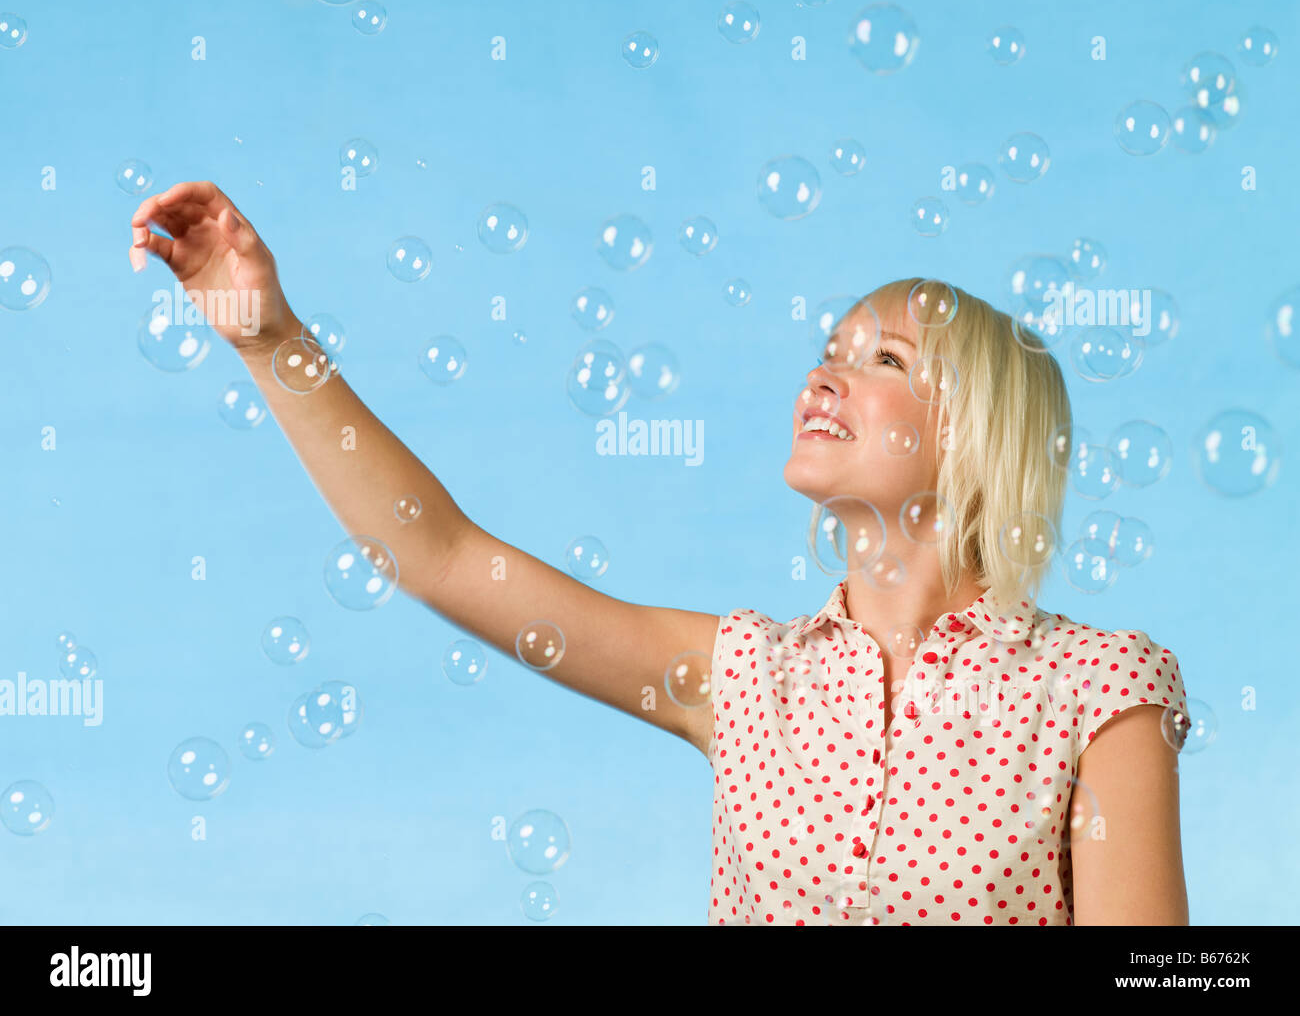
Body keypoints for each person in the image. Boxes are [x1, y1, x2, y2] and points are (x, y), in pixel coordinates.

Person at [128, 182, 1190, 927]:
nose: (823, 377)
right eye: (825, 352)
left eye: (882, 360)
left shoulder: (1094, 690)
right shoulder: (744, 680)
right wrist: (270, 338)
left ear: (975, 431)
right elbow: (441, 553)